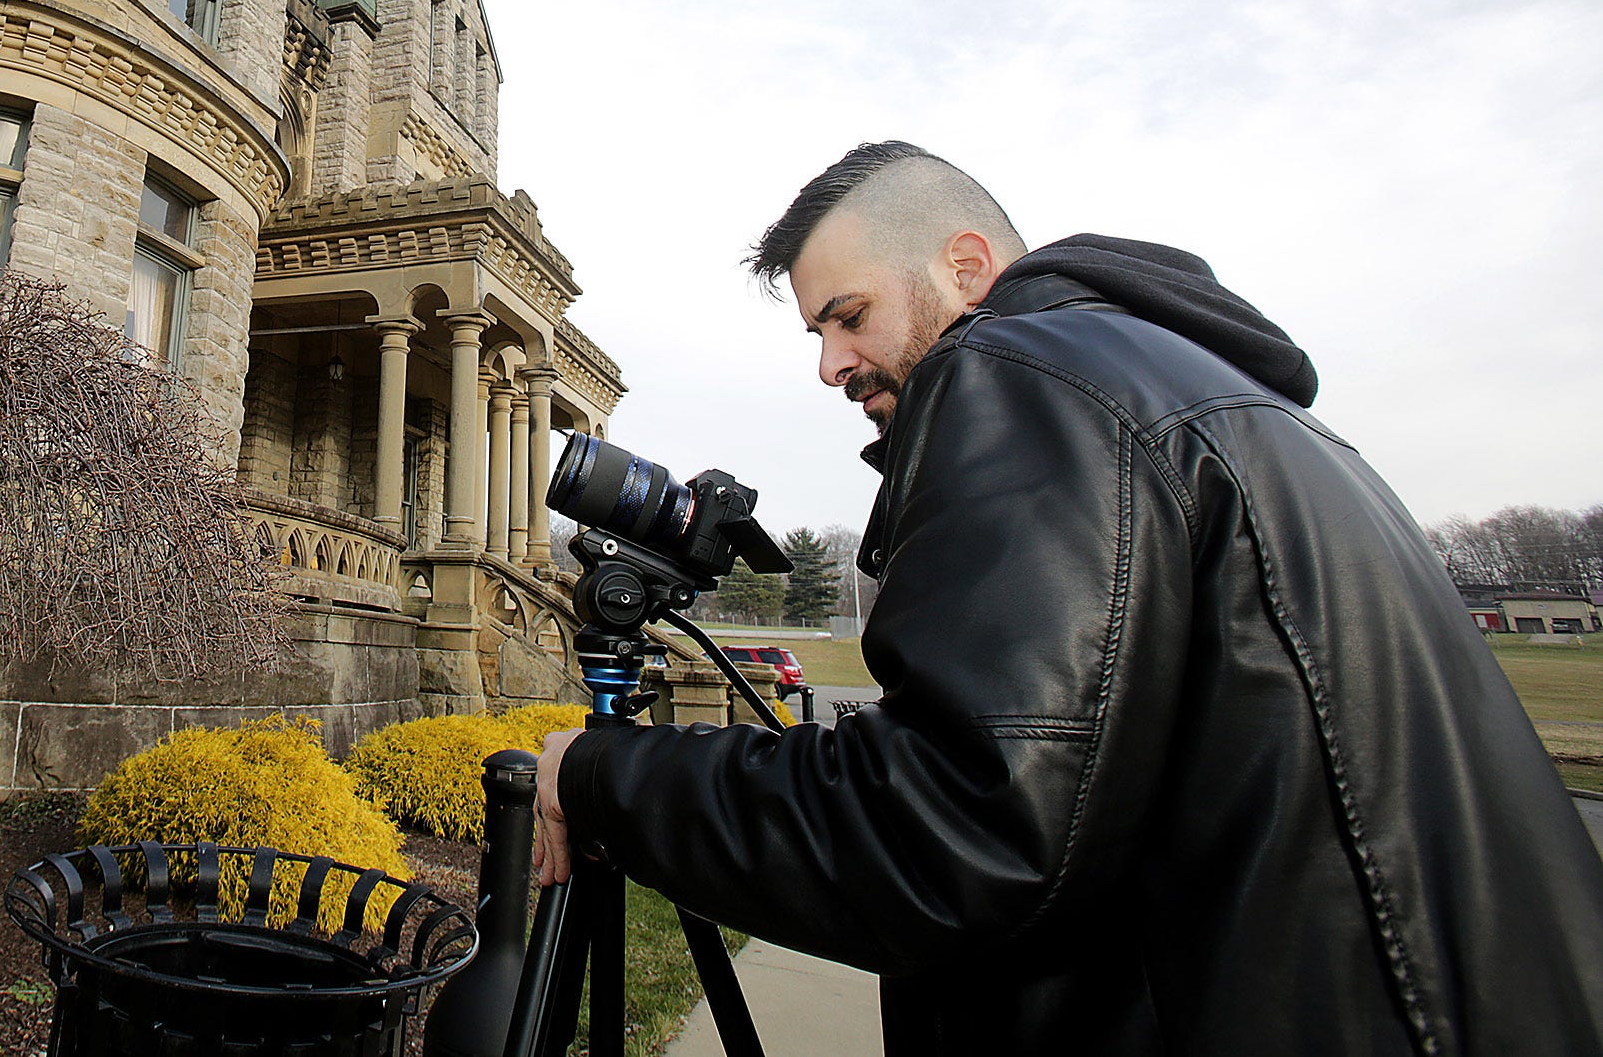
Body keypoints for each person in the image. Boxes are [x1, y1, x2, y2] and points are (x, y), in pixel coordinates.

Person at [531, 141, 1603, 1056]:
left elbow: (956, 824)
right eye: (817, 331)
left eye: (848, 316)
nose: (829, 363)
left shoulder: (1013, 370)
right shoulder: (1224, 396)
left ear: (965, 265)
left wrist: (602, 775)